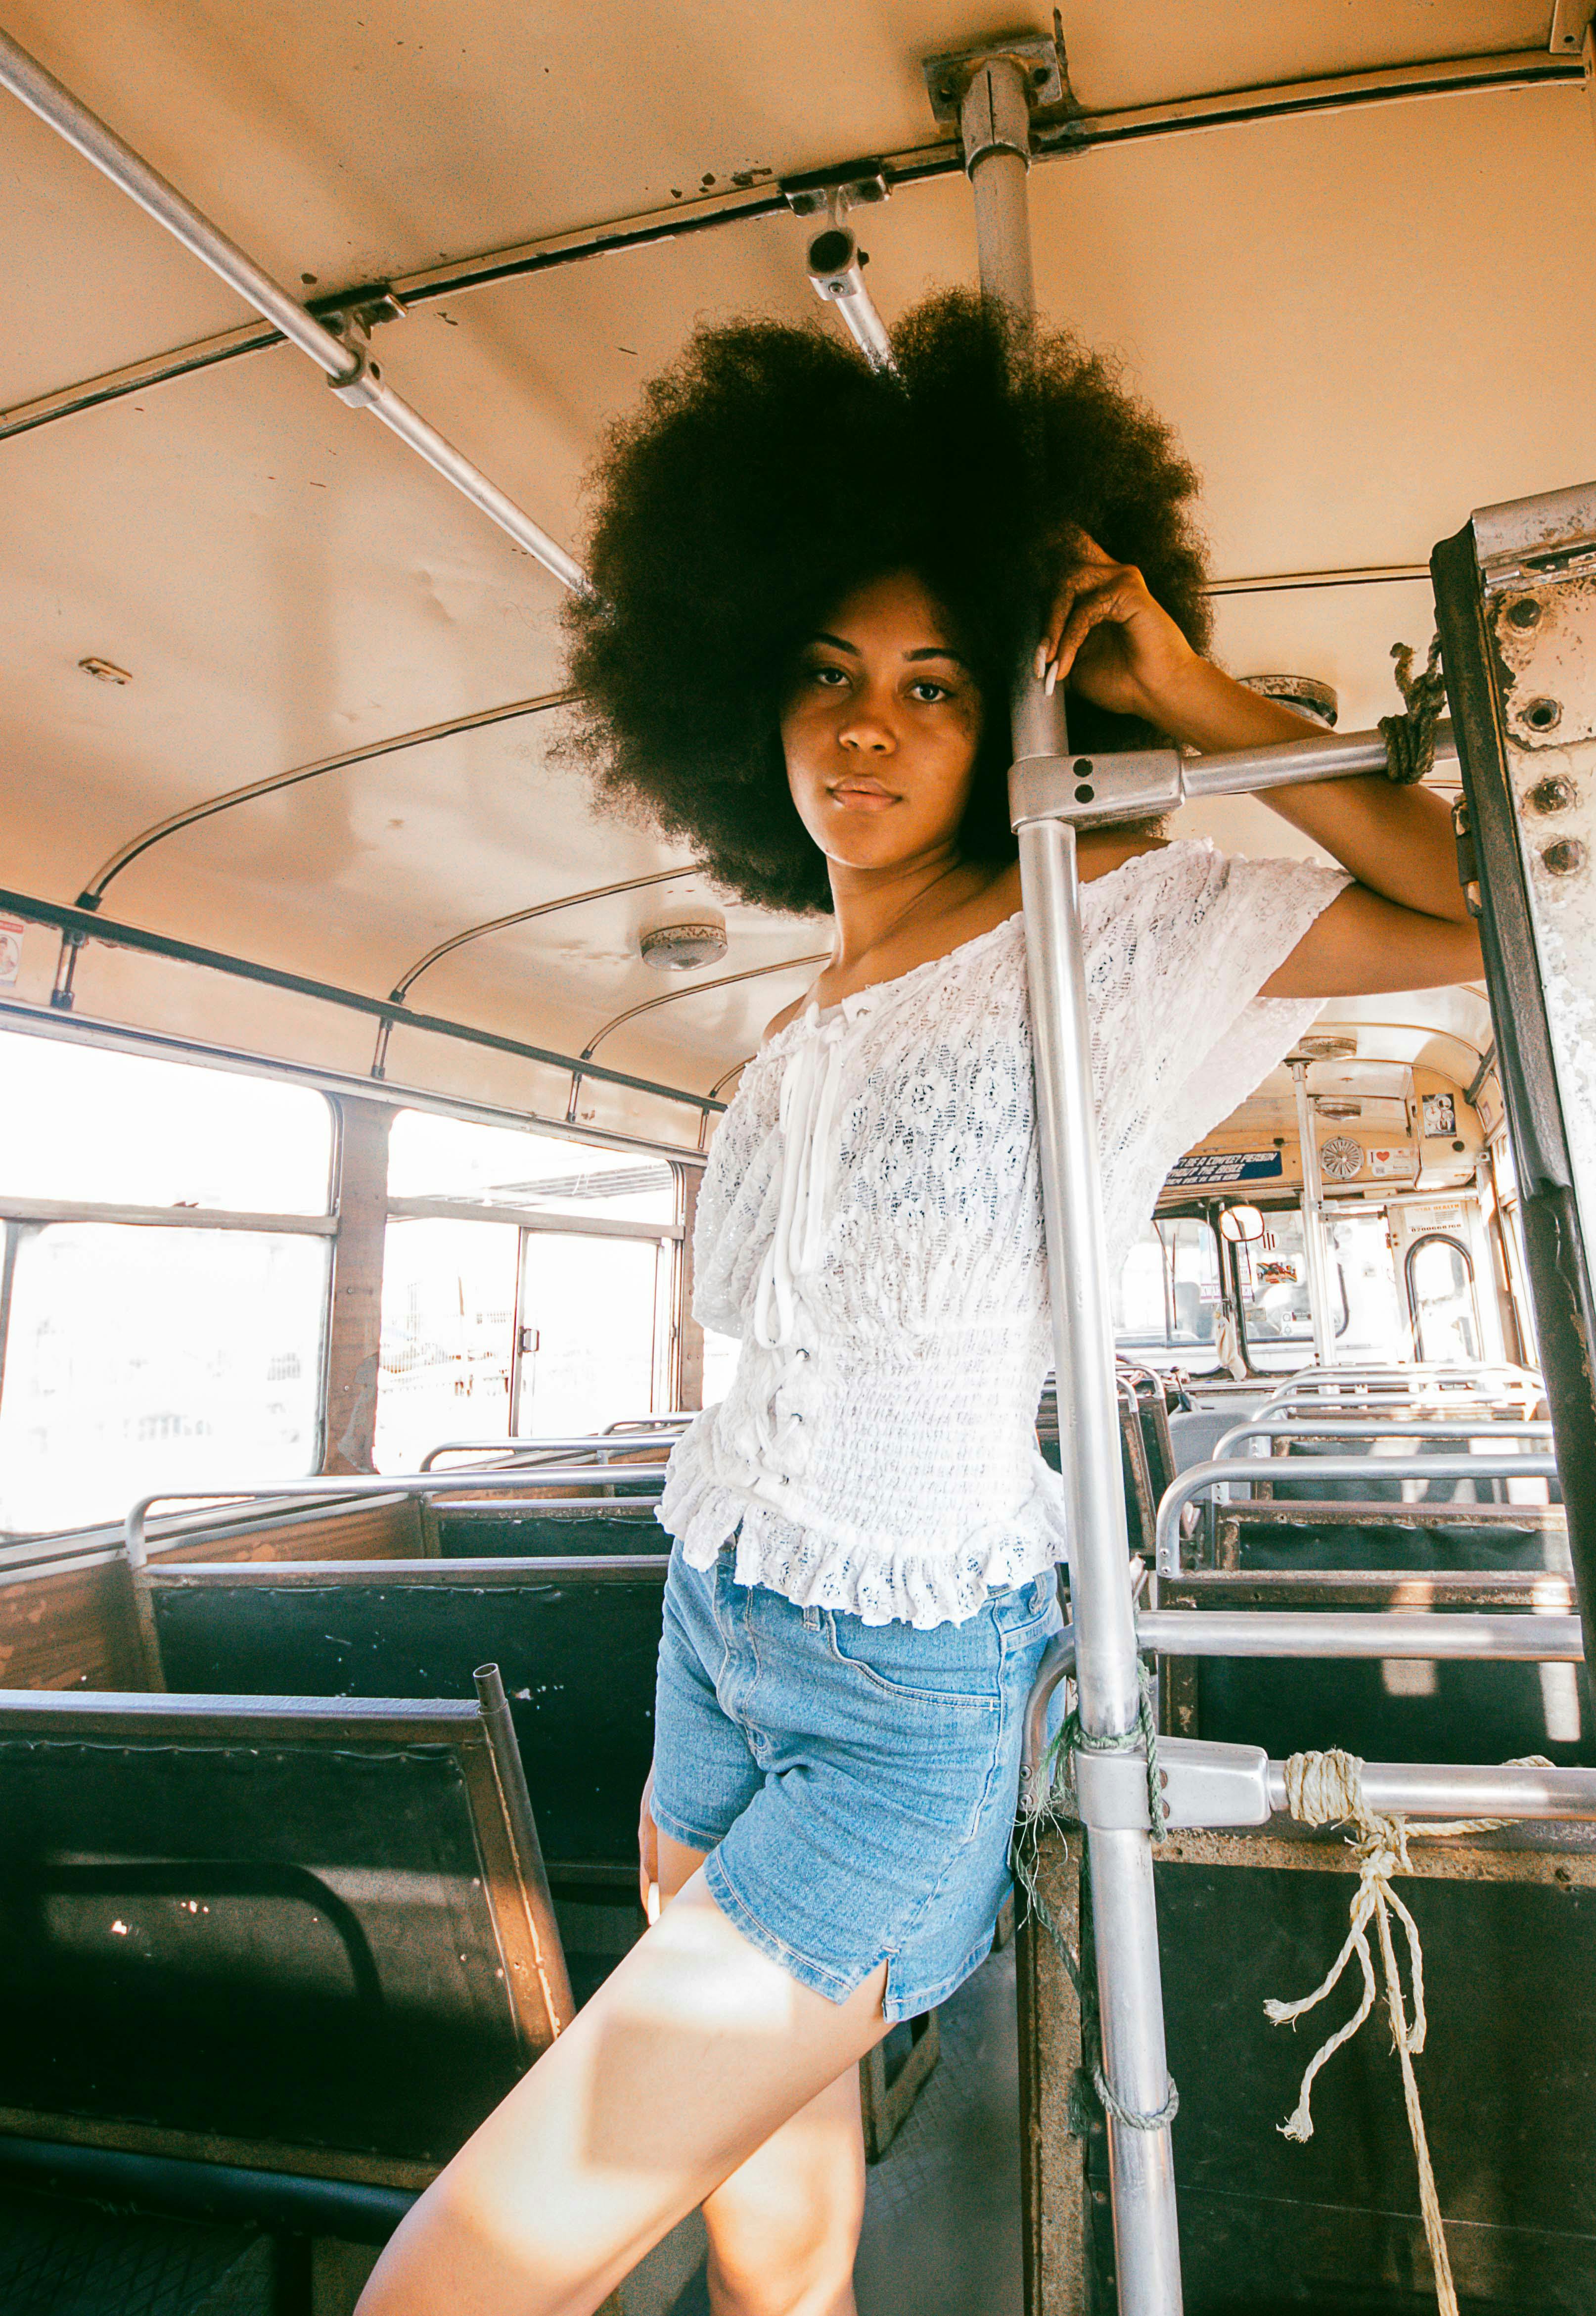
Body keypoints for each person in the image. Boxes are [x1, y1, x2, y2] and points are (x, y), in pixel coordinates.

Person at [356, 293, 1481, 2316]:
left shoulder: (1113, 940)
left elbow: (1500, 899)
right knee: (771, 2241)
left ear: (1008, 723)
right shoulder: (779, 1031)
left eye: (937, 683)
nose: (867, 726)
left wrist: (1193, 694)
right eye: (824, 672)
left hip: (908, 1696)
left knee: (447, 2284)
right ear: (740, 700)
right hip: (714, 1625)